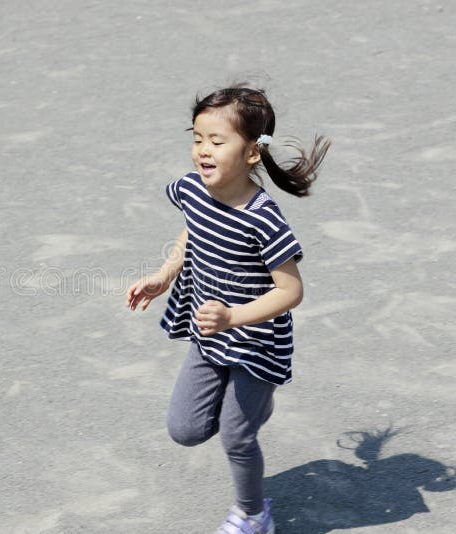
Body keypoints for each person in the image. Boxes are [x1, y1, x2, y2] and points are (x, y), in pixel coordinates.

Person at [125, 84, 330, 534]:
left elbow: (291, 291)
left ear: (253, 153)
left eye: (217, 142)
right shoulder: (192, 190)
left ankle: (253, 515)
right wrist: (164, 275)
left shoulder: (264, 217)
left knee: (237, 435)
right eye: (197, 138)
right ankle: (253, 412)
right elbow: (190, 234)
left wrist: (233, 317)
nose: (203, 150)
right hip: (208, 333)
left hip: (255, 343)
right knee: (186, 430)